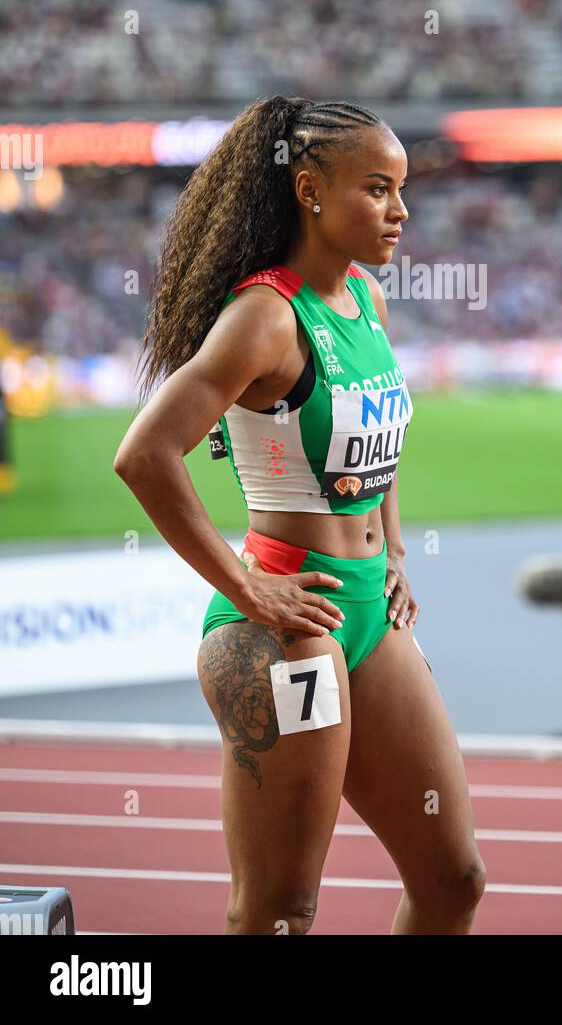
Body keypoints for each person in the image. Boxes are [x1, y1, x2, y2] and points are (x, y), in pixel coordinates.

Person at [114, 95, 486, 935]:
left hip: (366, 612)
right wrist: (249, 587)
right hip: (285, 630)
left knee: (455, 879)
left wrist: (392, 548)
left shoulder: (366, 301)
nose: (401, 211)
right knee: (282, 909)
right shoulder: (264, 318)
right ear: (310, 191)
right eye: (378, 189)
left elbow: (377, 442)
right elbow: (144, 455)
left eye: (401, 190)